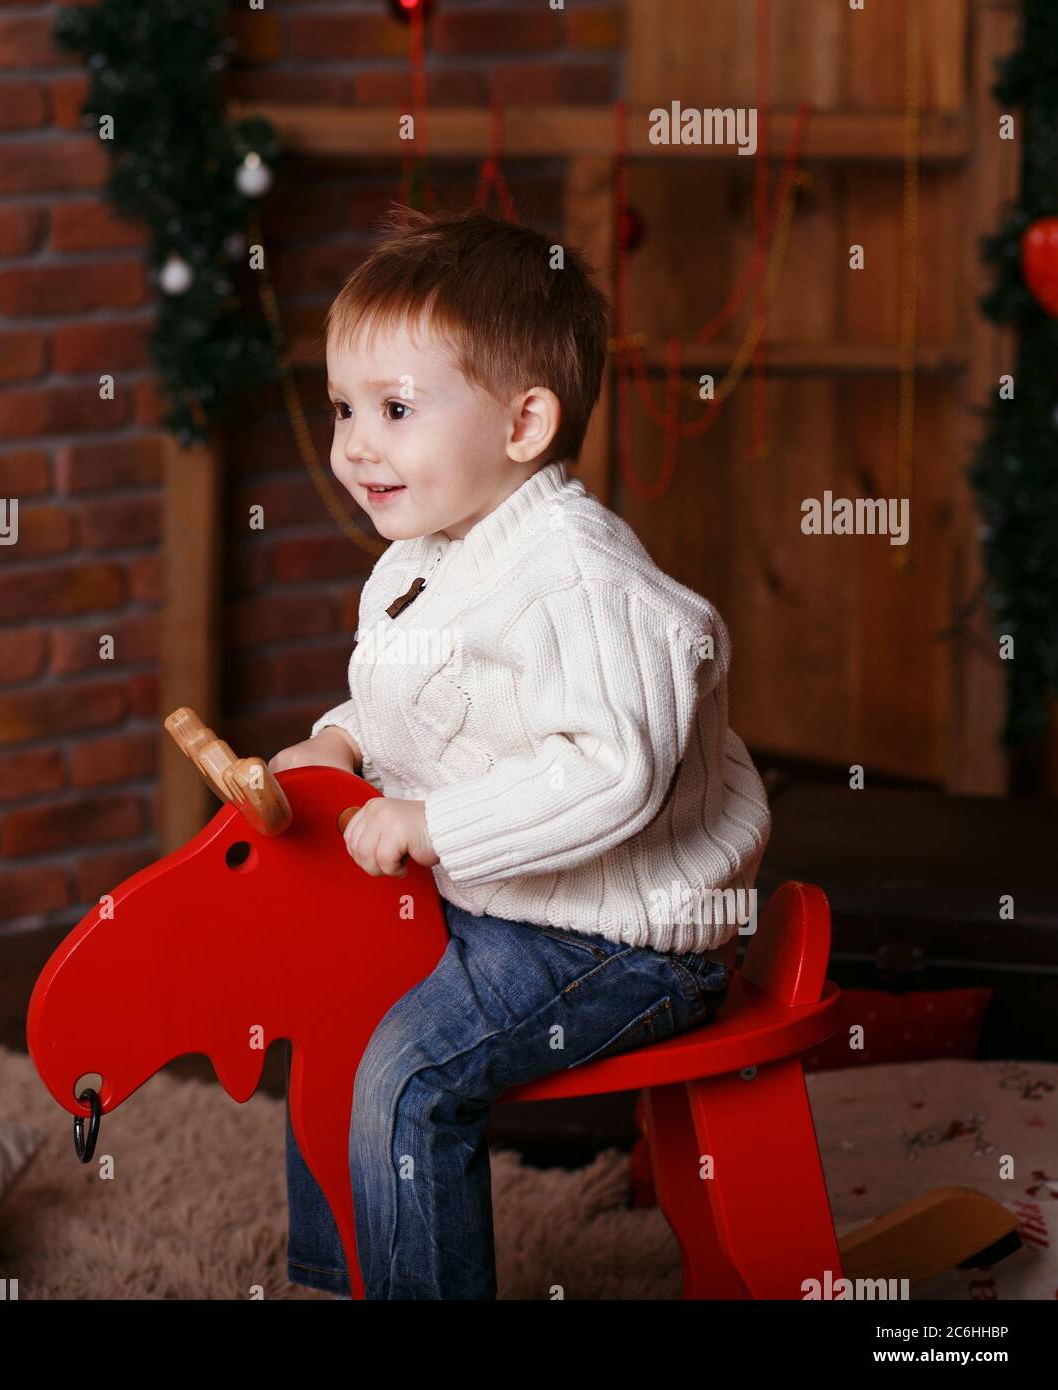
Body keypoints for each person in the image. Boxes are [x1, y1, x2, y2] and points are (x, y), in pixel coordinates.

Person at [268, 205, 771, 1299]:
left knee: (408, 1072)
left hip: (614, 933)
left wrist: (432, 824)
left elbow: (610, 773)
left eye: (395, 409)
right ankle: (337, 1274)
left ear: (523, 422)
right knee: (330, 1013)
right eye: (344, 408)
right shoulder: (422, 557)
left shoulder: (577, 575)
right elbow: (417, 701)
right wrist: (342, 737)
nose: (355, 443)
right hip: (497, 906)